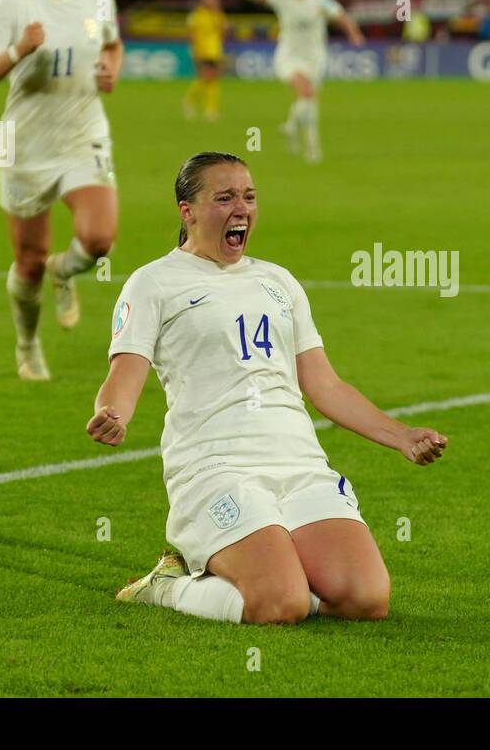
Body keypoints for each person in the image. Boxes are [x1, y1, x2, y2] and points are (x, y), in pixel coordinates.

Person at [88, 152, 448, 624]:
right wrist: (113, 413)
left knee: (365, 600)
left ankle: (280, 568)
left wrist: (400, 435)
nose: (241, 208)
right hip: (215, 467)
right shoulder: (153, 283)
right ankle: (169, 586)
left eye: (249, 197)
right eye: (225, 198)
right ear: (187, 210)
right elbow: (126, 372)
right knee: (281, 604)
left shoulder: (278, 282)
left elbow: (325, 385)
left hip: (298, 464)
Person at [0, 0, 123, 380]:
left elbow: (112, 44)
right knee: (28, 262)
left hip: (83, 134)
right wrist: (19, 49)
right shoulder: (11, 6)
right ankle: (27, 343)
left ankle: (67, 269)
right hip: (27, 145)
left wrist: (110, 70)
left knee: (99, 240)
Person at [208, 0, 364, 162]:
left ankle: (307, 143)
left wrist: (353, 32)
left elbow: (341, 16)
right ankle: (296, 132)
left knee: (309, 100)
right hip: (289, 56)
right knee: (306, 91)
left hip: (315, 57)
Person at [184, 0, 226, 121]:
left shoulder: (218, 15)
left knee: (210, 79)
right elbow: (191, 34)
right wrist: (194, 49)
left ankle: (195, 104)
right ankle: (205, 108)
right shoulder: (197, 15)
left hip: (214, 51)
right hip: (202, 51)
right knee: (207, 78)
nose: (213, 1)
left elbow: (223, 30)